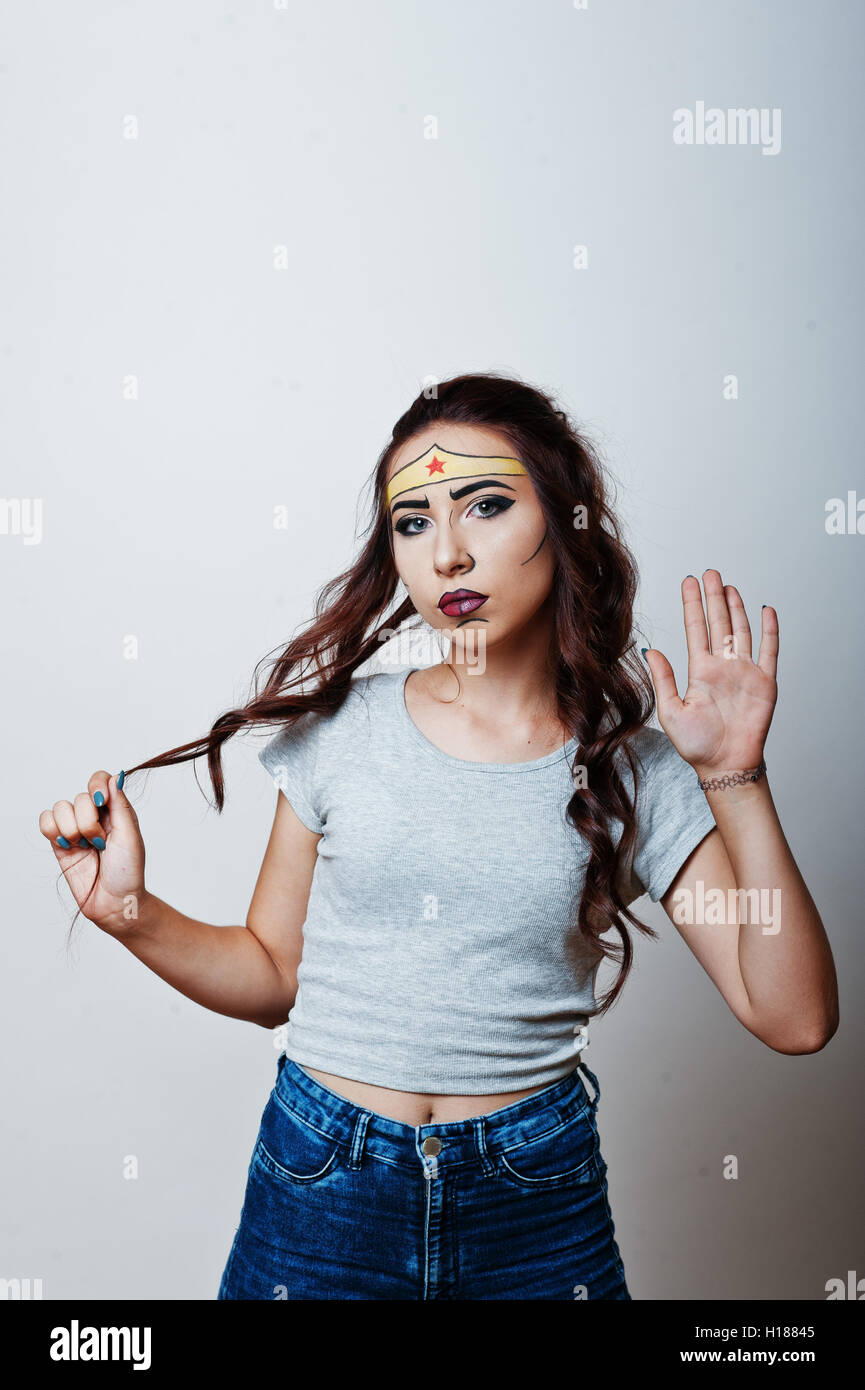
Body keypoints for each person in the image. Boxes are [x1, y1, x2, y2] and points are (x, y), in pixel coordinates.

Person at [38, 372, 838, 1300]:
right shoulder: (339, 734)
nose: (446, 554)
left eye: (485, 506)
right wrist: (132, 915)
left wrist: (733, 775)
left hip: (535, 1201)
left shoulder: (635, 766)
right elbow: (269, 976)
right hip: (321, 1187)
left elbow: (794, 1017)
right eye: (412, 521)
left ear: (568, 517)